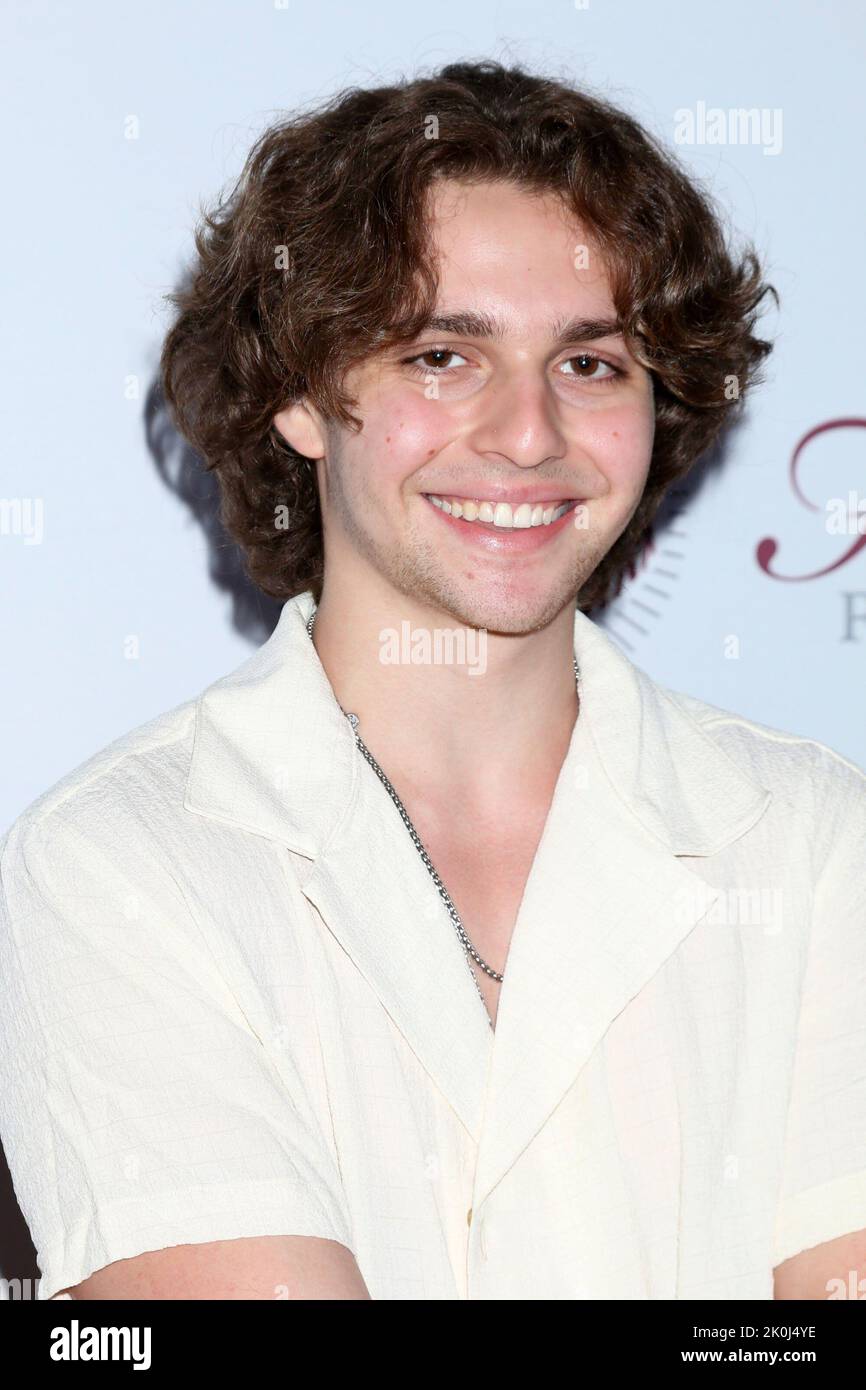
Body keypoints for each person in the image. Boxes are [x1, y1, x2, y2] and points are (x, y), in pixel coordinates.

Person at [1, 59, 864, 1302]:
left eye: (589, 364)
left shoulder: (812, 841)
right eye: (443, 356)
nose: (526, 434)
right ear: (301, 394)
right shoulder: (119, 864)